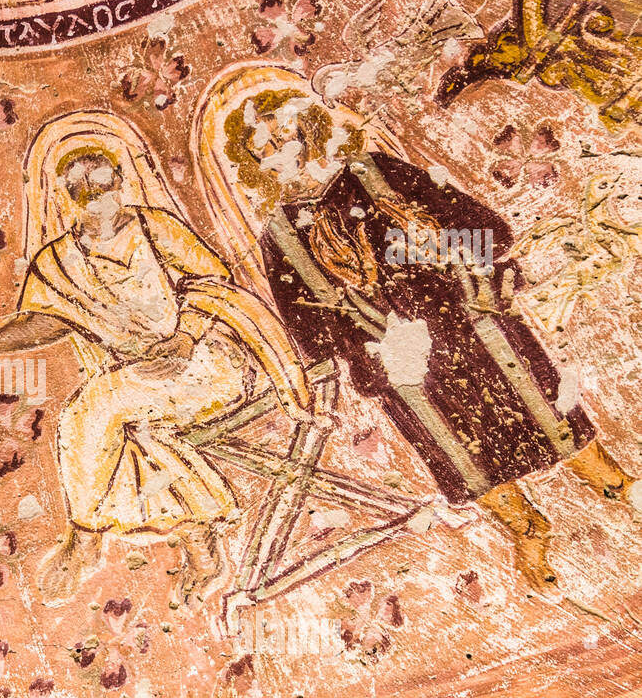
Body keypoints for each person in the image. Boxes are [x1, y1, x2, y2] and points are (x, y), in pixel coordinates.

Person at [220, 85, 638, 592]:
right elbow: (306, 327)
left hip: (462, 313)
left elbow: (472, 221)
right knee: (461, 449)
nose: (280, 148)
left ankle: (617, 484)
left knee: (542, 407)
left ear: (307, 133)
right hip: (396, 352)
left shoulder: (374, 171)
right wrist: (364, 340)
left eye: (285, 133)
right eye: (265, 146)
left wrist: (459, 262)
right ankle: (527, 527)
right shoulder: (281, 231)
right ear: (257, 160)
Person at [0, 112, 312, 604]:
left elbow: (212, 285)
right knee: (125, 425)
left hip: (207, 362)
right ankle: (200, 542)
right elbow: (45, 321)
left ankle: (86, 537)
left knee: (96, 410)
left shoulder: (157, 230)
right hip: (140, 381)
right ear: (69, 196)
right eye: (84, 190)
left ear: (122, 182)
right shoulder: (59, 260)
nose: (98, 198)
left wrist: (185, 340)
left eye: (105, 184)